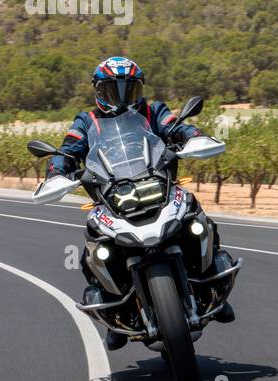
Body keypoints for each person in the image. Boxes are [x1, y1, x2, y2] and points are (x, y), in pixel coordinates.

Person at [50, 56, 234, 348]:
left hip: (158, 183)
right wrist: (57, 171)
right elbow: (69, 148)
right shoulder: (87, 121)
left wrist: (193, 136)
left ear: (139, 89)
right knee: (95, 245)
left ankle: (212, 285)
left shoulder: (153, 110)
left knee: (197, 218)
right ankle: (114, 310)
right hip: (112, 195)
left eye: (129, 89)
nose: (122, 97)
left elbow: (175, 127)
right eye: (113, 89)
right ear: (99, 90)